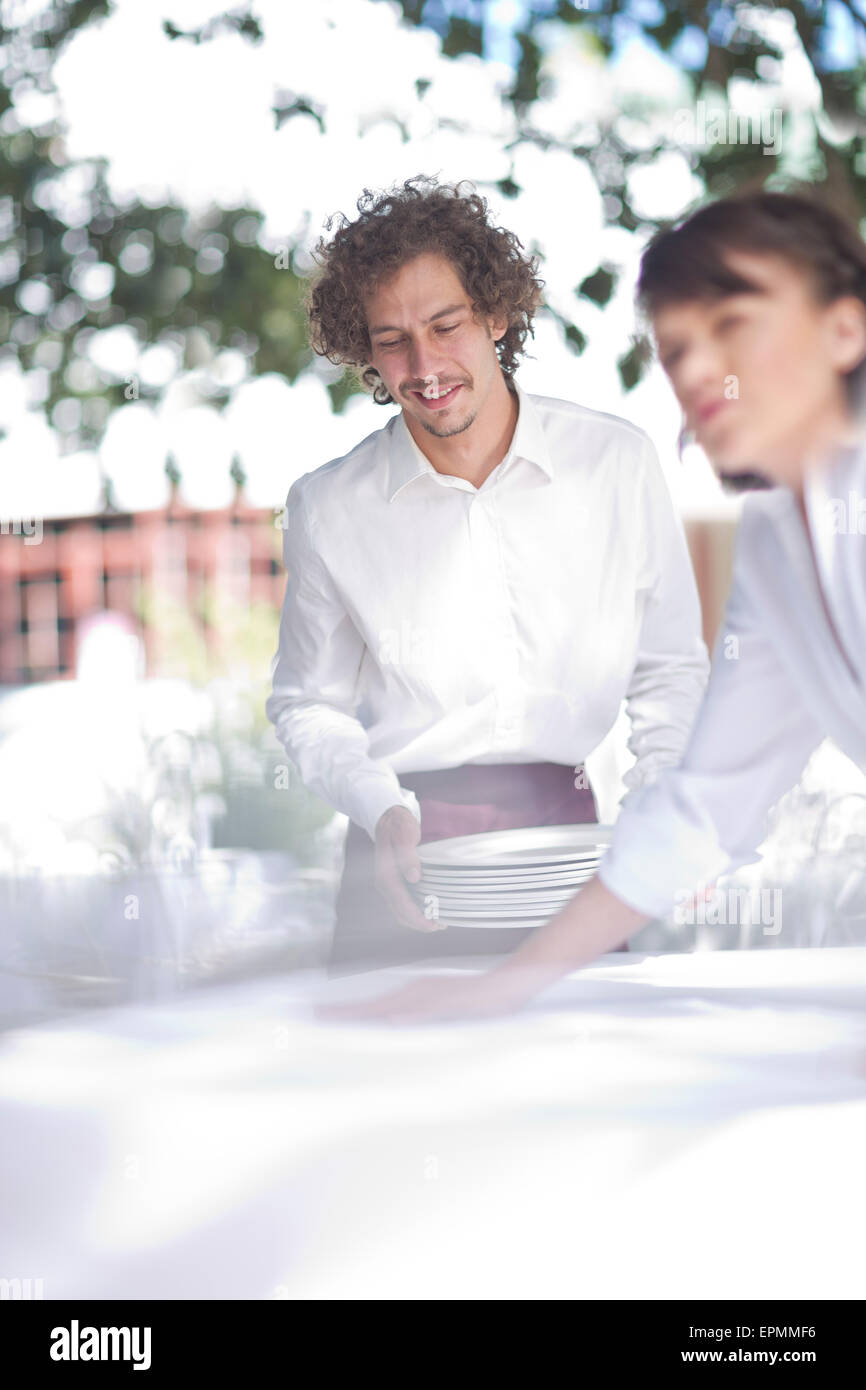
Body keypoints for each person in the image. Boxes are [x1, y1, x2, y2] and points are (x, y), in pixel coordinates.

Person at [319, 184, 866, 1021]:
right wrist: (497, 993)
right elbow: (708, 803)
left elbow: (669, 683)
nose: (698, 371)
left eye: (734, 325)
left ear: (845, 329)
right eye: (677, 347)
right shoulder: (774, 542)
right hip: (424, 881)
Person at [265, 175, 710, 972]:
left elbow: (671, 669)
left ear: (496, 315)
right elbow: (307, 703)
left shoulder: (616, 465)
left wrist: (655, 807)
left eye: (446, 325)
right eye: (391, 338)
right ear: (364, 347)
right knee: (394, 1092)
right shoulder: (329, 506)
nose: (425, 364)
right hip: (396, 860)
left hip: (574, 853)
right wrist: (380, 810)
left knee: (588, 1083)